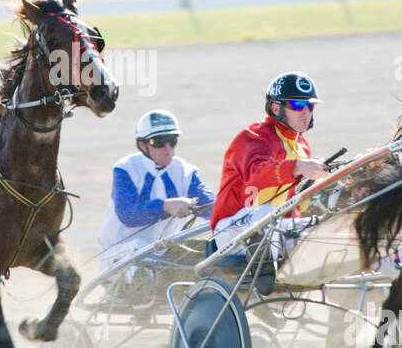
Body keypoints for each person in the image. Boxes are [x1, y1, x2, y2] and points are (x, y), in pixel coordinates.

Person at [209, 72, 332, 294]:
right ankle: (264, 274)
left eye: (310, 106)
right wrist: (297, 167)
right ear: (276, 108)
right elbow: (255, 174)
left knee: (324, 225)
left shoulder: (302, 146)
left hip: (273, 228)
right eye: (297, 105)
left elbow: (289, 204)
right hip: (232, 229)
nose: (305, 112)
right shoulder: (253, 137)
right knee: (264, 213)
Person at [97, 110, 215, 273]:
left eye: (172, 141)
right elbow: (127, 215)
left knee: (209, 250)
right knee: (139, 248)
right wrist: (164, 206)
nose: (167, 148)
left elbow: (211, 205)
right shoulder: (125, 169)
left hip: (163, 251)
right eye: (158, 142)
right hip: (120, 253)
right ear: (142, 145)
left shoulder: (186, 171)